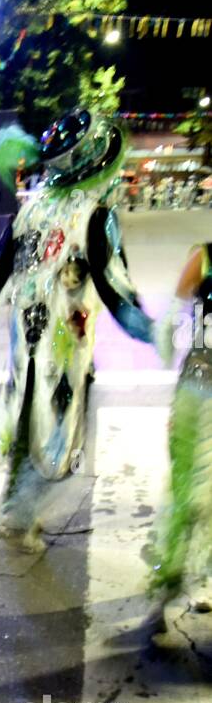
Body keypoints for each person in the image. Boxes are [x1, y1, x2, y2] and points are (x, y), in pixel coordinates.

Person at [0, 108, 155, 550]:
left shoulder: (33, 208)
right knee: (61, 439)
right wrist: (149, 330)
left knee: (25, 425)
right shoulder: (96, 215)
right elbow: (114, 285)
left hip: (24, 347)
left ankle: (16, 510)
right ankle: (20, 515)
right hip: (64, 352)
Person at [149, 242, 212, 609]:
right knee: (185, 482)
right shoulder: (204, 257)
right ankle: (171, 565)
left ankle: (203, 573)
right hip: (197, 386)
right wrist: (166, 345)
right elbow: (172, 315)